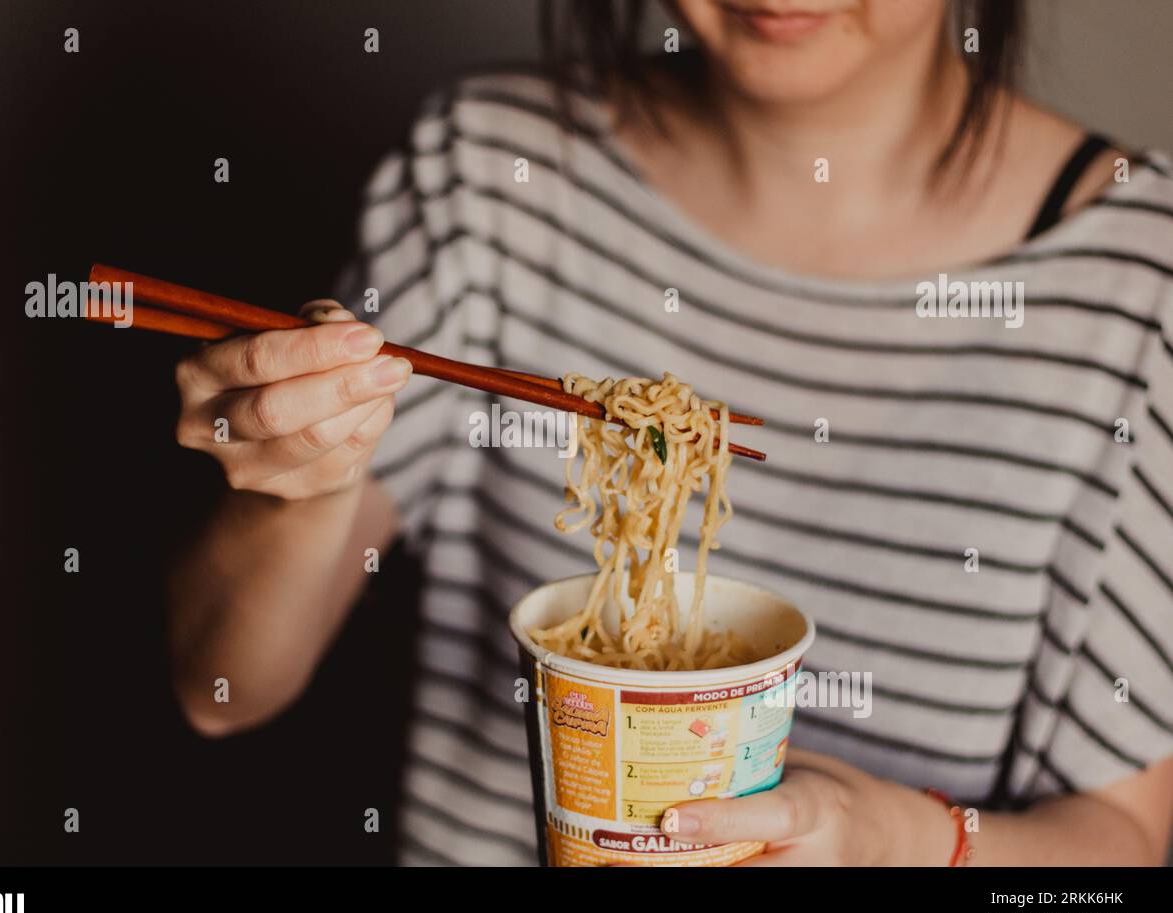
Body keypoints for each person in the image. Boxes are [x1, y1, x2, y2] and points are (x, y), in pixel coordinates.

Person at [167, 0, 1173, 865]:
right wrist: (300, 477)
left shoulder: (1141, 286)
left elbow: (1111, 862)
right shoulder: (492, 172)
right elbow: (221, 689)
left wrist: (896, 838)